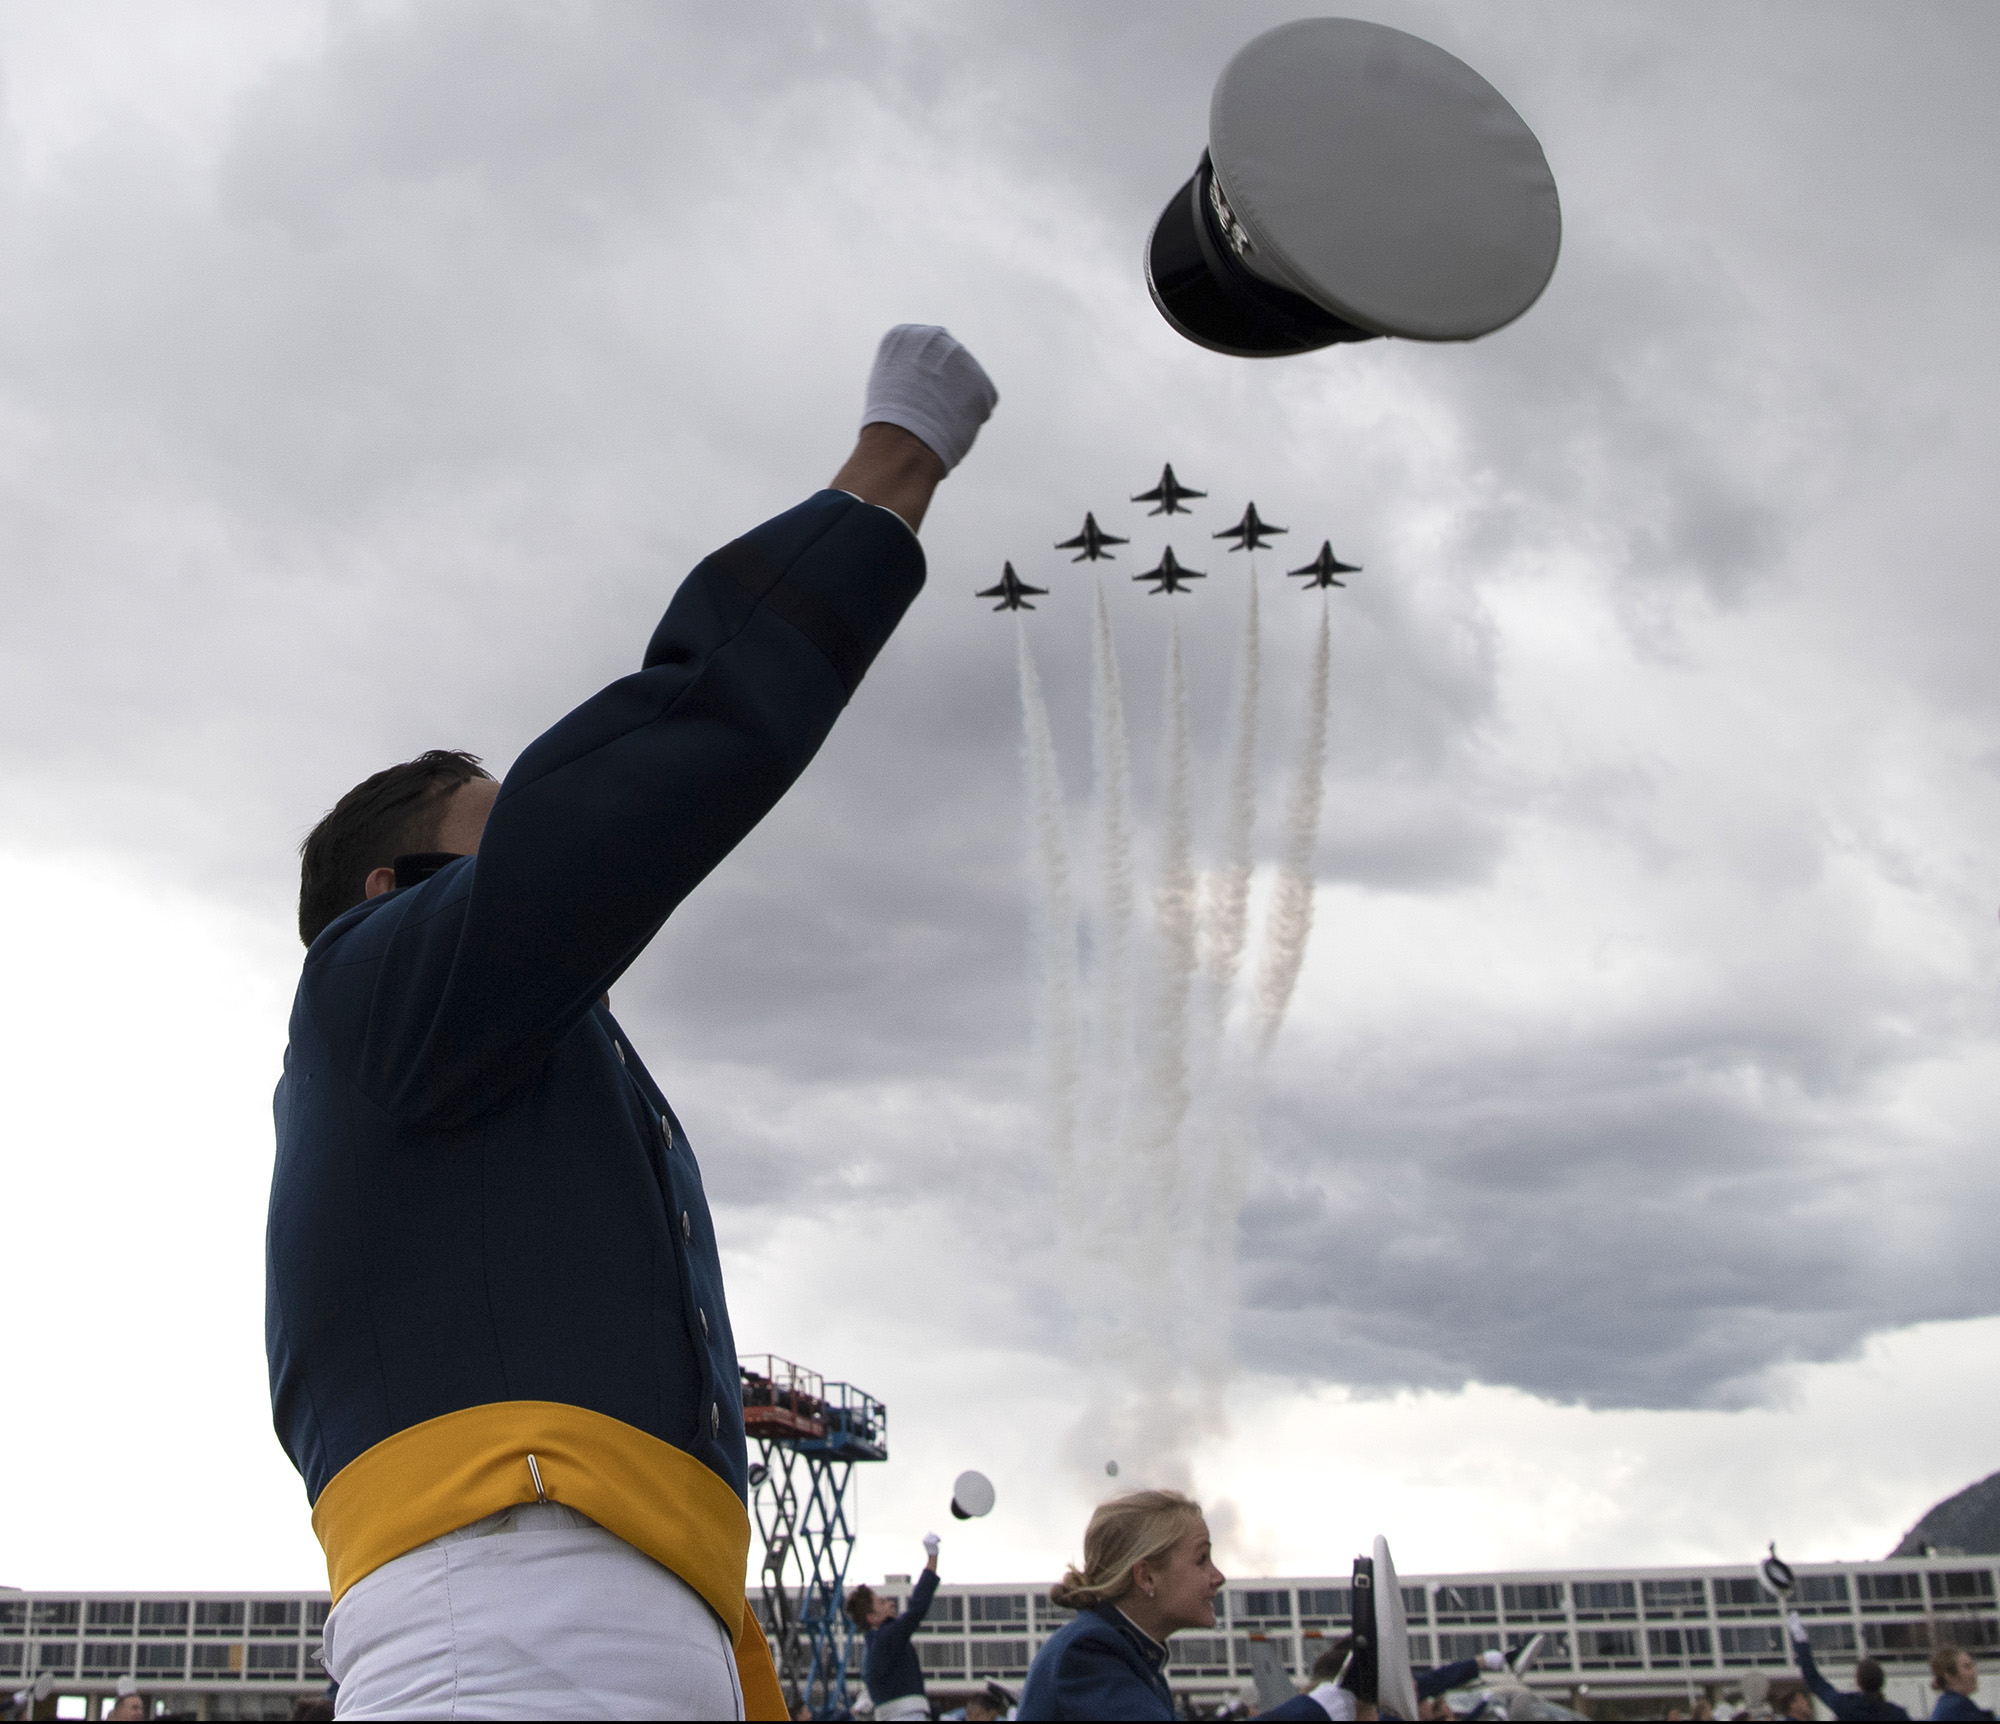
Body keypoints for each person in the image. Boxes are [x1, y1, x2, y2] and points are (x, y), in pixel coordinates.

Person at [267, 324, 997, 1721]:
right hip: (527, 1619)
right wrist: (882, 480)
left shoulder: (465, 1079)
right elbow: (633, 792)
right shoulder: (368, 983)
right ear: (387, 895)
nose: (547, 872)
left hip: (593, 1612)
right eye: (502, 843)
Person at [1017, 1489, 1225, 1720]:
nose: (1218, 1577)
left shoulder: (1129, 1653)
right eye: (1201, 1559)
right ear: (1146, 1576)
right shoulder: (1088, 1652)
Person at [848, 1535, 945, 1721]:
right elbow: (916, 1609)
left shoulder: (871, 1648)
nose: (890, 1604)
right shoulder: (887, 1636)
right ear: (872, 1617)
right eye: (882, 1602)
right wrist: (932, 1558)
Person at [1788, 1612, 1908, 1719]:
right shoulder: (1897, 1714)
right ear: (1882, 1681)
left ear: (1858, 1681)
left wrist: (1801, 1640)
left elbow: (1814, 1680)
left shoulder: (1846, 1706)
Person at [1931, 1646, 1996, 1721]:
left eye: (1972, 1665)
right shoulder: (1959, 1707)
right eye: (1967, 1667)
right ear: (1949, 1677)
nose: (1974, 1671)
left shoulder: (1945, 1703)